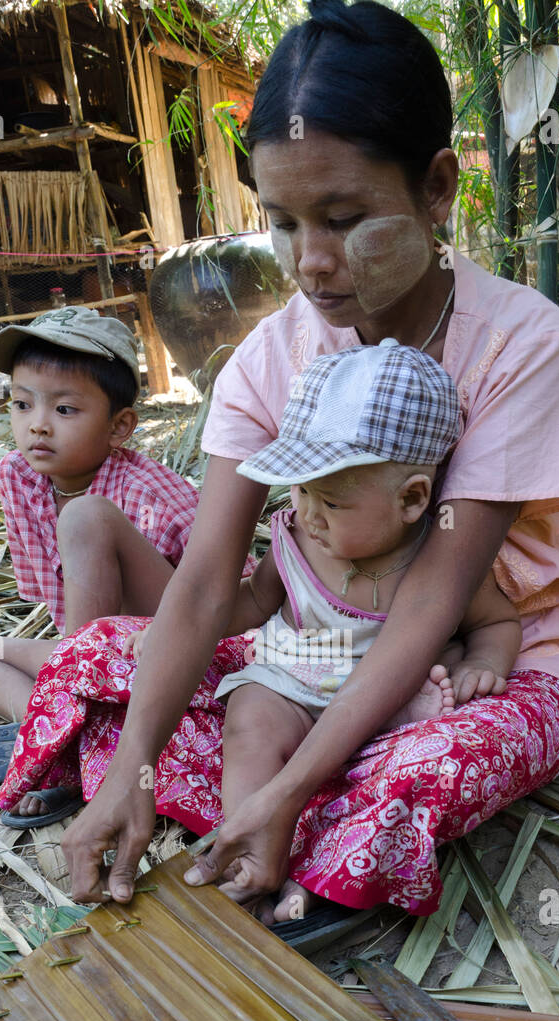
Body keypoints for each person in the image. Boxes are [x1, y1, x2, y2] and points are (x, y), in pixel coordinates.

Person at [17, 0, 559, 915]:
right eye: (282, 220)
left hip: (492, 655)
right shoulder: (271, 359)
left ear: (436, 189)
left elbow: (433, 598)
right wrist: (136, 774)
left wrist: (292, 781)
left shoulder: (518, 343)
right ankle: (241, 803)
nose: (309, 262)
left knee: (425, 771)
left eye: (344, 218)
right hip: (312, 654)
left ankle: (282, 809)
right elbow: (201, 585)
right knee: (97, 663)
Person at [185, 338, 523, 916]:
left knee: (397, 765)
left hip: (383, 705)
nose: (310, 514)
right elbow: (250, 602)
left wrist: (482, 664)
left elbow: (498, 620)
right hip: (292, 684)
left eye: (333, 502)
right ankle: (246, 842)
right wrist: (187, 629)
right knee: (250, 718)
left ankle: (316, 868)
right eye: (301, 490)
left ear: (413, 500)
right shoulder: (294, 540)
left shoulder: (439, 564)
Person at [0, 306, 202, 816]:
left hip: (163, 658)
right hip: (89, 658)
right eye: (22, 405)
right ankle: (62, 735)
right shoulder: (19, 476)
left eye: (64, 410)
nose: (38, 426)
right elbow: (56, 602)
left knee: (86, 517)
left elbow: (227, 590)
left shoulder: (146, 489)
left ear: (119, 427)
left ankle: (61, 741)